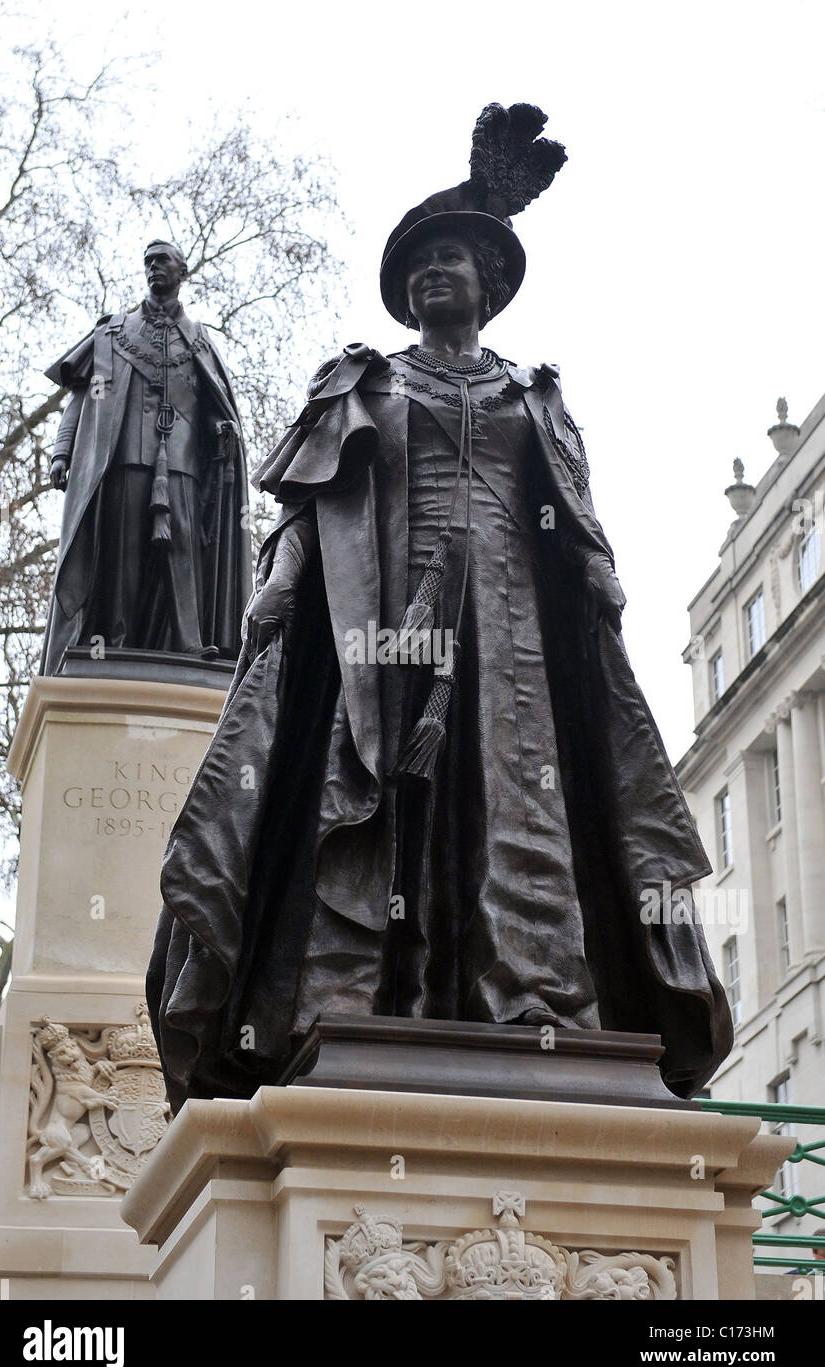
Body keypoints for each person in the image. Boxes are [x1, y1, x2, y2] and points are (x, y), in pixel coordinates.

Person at [148, 104, 732, 1112]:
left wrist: (595, 570)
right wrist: (282, 585)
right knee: (382, 800)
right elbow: (310, 504)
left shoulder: (534, 393)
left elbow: (573, 515)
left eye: (453, 259)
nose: (434, 274)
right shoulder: (364, 378)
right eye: (421, 263)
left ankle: (532, 1005)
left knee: (516, 805)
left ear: (489, 286)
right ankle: (373, 998)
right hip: (383, 627)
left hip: (513, 638)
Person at [39, 239, 252, 674]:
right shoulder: (113, 332)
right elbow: (82, 399)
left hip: (183, 464)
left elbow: (214, 409)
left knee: (184, 551)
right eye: (148, 262)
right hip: (125, 459)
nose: (154, 268)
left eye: (163, 261)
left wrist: (221, 430)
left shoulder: (201, 344)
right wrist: (62, 452)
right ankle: (115, 641)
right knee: (124, 552)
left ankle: (192, 644)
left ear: (182, 271)